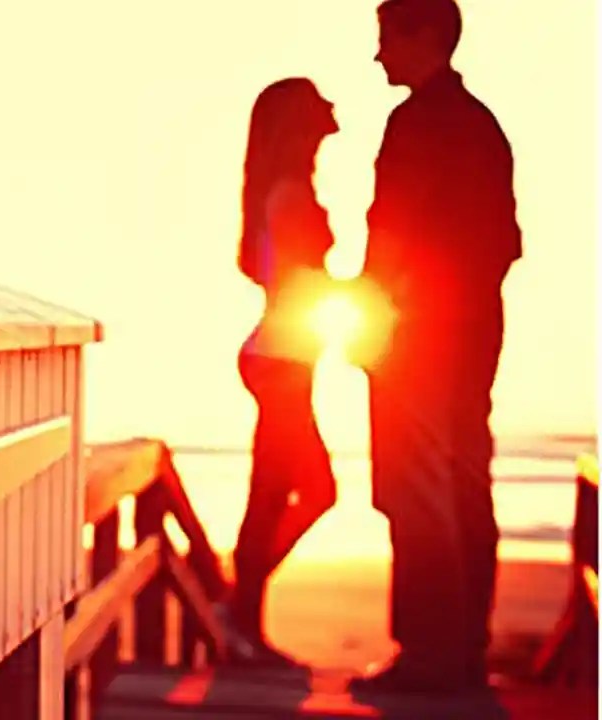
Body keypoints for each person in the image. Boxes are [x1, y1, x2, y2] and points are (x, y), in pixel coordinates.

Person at [352, 0, 522, 694]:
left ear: (426, 37)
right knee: (461, 483)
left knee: (416, 489)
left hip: (418, 335)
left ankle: (429, 658)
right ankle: (461, 651)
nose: (379, 55)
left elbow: (389, 233)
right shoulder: (483, 126)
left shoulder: (418, 123)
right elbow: (506, 242)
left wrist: (375, 318)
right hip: (472, 329)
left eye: (387, 38)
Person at [218, 77, 341, 668]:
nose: (332, 109)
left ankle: (240, 614)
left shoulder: (289, 186)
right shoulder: (290, 191)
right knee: (304, 490)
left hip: (283, 356)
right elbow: (299, 282)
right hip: (281, 360)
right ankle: (236, 610)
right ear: (299, 122)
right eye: (320, 104)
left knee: (276, 493)